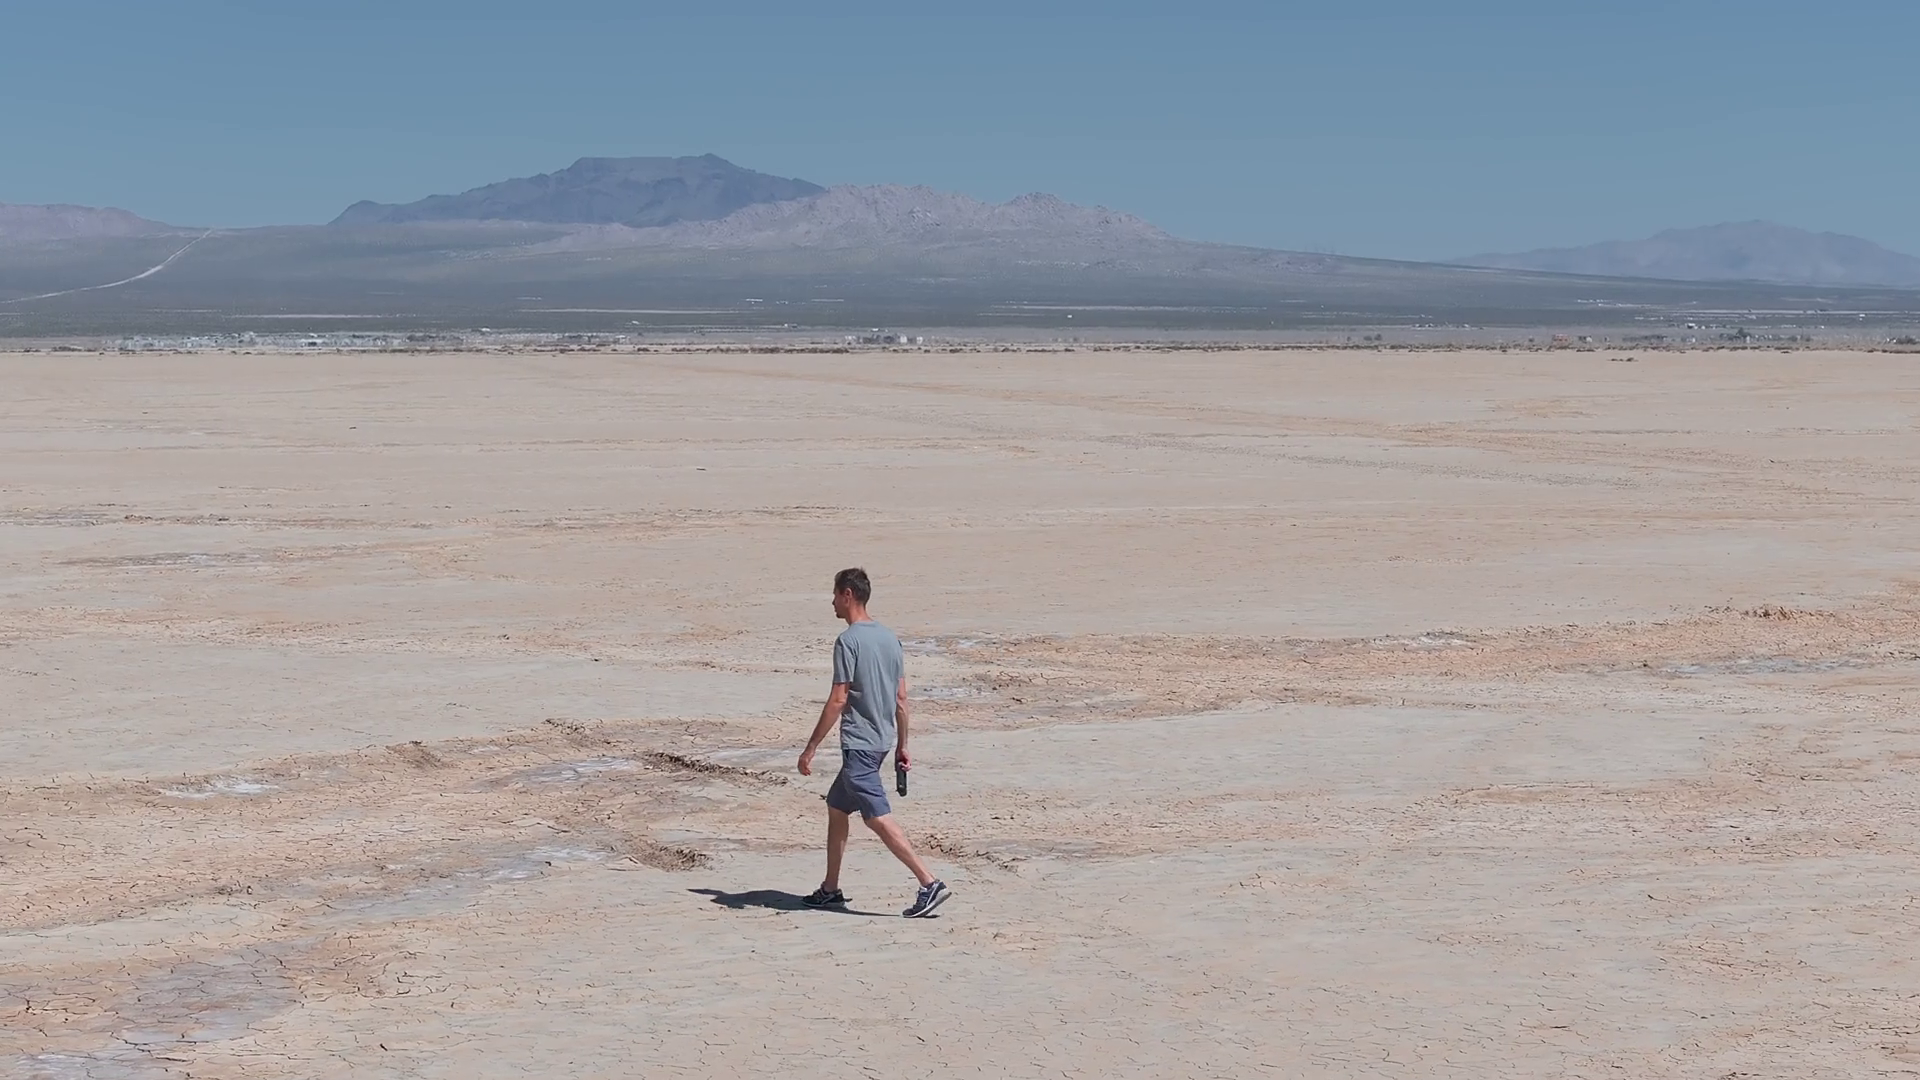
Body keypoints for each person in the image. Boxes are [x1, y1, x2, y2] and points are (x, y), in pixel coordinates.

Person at [796, 568, 952, 918]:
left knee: (876, 817)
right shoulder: (890, 638)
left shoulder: (848, 641)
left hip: (860, 745)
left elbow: (838, 699)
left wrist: (810, 748)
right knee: (838, 807)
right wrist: (902, 745)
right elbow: (901, 699)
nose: (832, 602)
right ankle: (830, 889)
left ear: (848, 594)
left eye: (835, 595)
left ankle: (929, 883)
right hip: (881, 741)